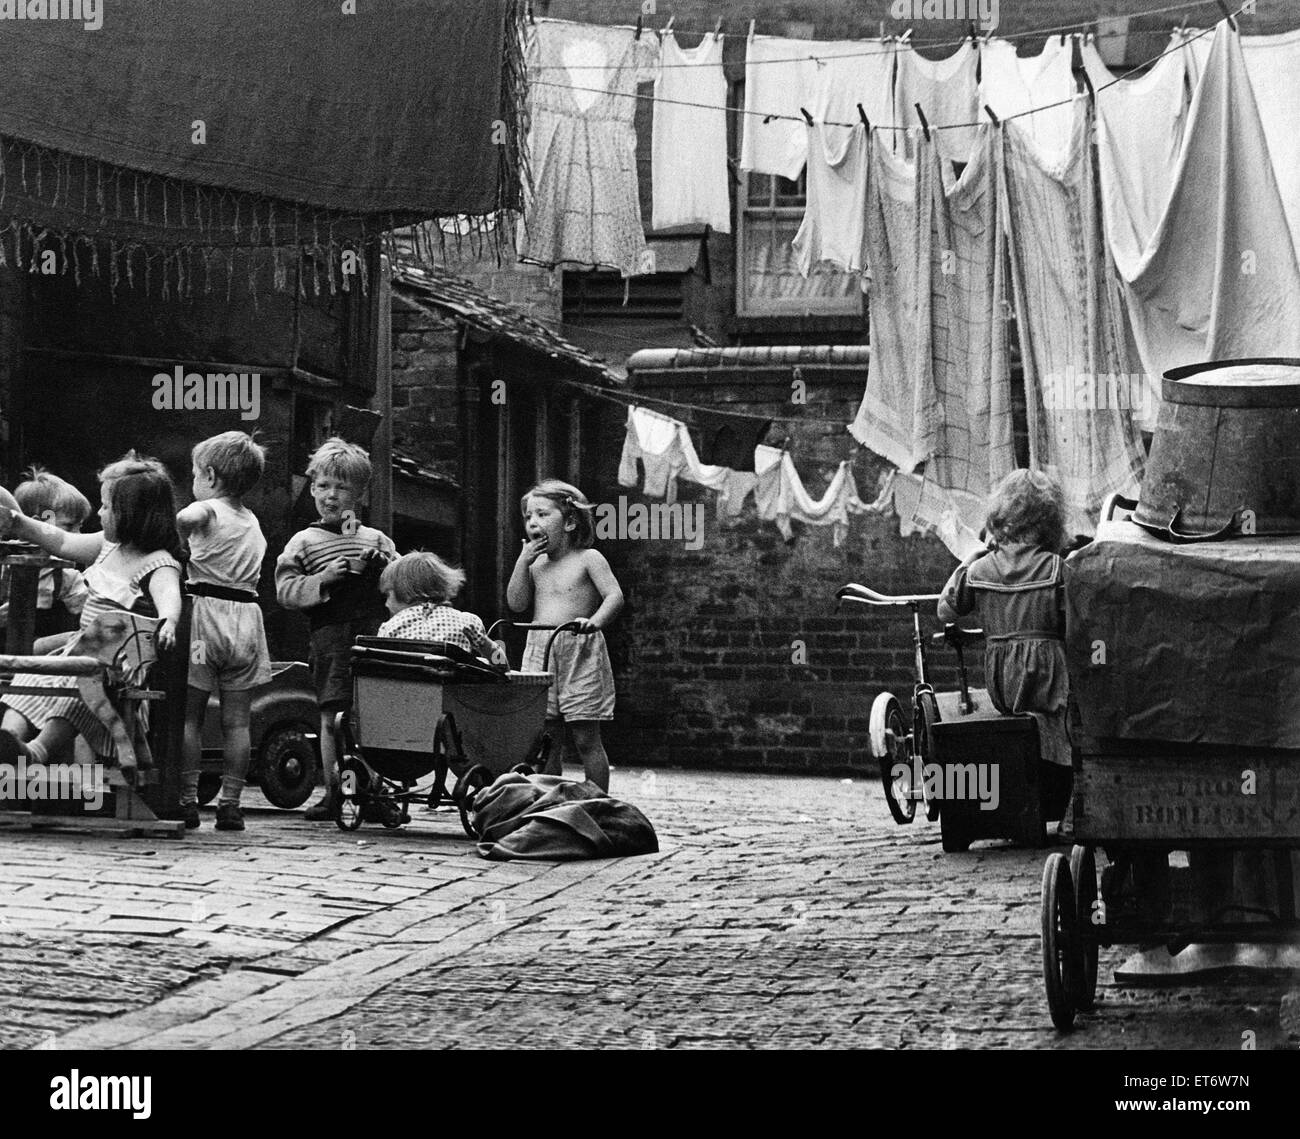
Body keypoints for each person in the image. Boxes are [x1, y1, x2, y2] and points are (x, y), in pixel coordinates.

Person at [0, 453, 182, 766]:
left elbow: (169, 594)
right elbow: (62, 541)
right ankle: (8, 738)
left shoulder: (158, 562)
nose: (100, 512)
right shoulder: (108, 545)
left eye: (107, 506)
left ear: (131, 514)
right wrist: (18, 522)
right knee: (35, 677)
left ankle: (36, 751)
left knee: (81, 682)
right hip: (79, 654)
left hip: (116, 668)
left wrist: (168, 622)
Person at [937, 469, 1075, 836]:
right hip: (1048, 671)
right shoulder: (1058, 569)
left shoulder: (982, 568)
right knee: (1069, 728)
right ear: (1050, 523)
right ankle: (1071, 805)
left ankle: (1019, 803)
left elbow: (946, 610)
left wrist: (970, 559)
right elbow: (1074, 623)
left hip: (1002, 677)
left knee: (1021, 730)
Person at [275, 437, 395, 820]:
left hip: (373, 638)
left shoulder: (375, 538)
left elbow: (402, 583)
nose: (331, 496)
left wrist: (382, 566)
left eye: (342, 487)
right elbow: (285, 591)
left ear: (360, 494)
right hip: (329, 639)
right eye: (323, 486)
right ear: (311, 489)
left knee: (371, 717)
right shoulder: (304, 541)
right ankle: (336, 794)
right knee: (332, 717)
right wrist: (323, 580)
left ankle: (372, 792)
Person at [176, 432, 273, 832]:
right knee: (238, 723)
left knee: (190, 717)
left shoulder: (208, 509)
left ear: (211, 476)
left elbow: (186, 518)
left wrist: (181, 541)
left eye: (196, 474)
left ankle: (185, 800)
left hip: (204, 620)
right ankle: (230, 804)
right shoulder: (252, 521)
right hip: (247, 622)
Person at [507, 479, 623, 791]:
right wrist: (522, 562)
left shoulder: (589, 558)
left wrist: (595, 621)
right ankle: (550, 800)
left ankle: (595, 800)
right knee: (547, 738)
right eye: (529, 516)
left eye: (543, 515)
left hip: (578, 647)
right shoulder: (536, 565)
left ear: (570, 522)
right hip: (540, 649)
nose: (533, 522)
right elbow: (516, 604)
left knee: (586, 736)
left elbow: (614, 596)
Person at [1, 466, 91, 641]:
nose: (78, 536)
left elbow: (94, 615)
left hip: (39, 657)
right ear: (39, 524)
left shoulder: (67, 577)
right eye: (69, 526)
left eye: (80, 527)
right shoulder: (3, 567)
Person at [376, 551, 508, 665]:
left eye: (388, 595)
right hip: (454, 692)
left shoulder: (389, 628)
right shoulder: (467, 621)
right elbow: (499, 658)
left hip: (406, 692)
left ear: (405, 592)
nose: (386, 604)